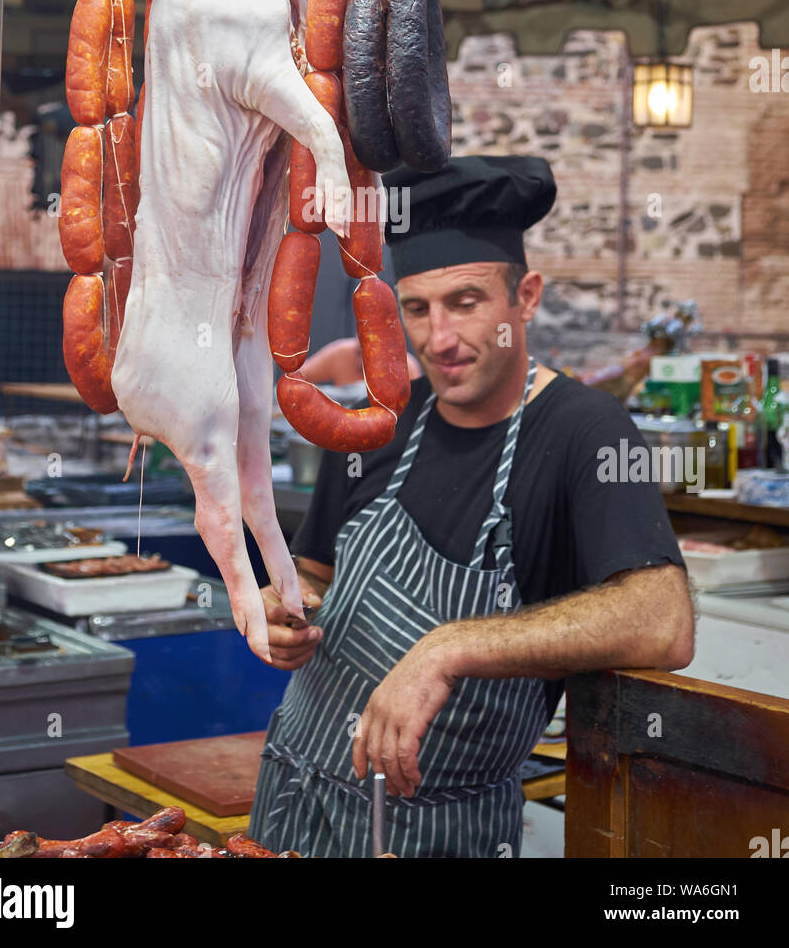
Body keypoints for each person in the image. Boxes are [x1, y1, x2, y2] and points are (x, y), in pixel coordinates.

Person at [250, 156, 694, 858]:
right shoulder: (383, 418)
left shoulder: (586, 431)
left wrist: (450, 647)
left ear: (527, 297)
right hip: (291, 805)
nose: (439, 340)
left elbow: (663, 619)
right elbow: (313, 572)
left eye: (466, 302)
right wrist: (287, 611)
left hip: (438, 834)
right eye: (416, 309)